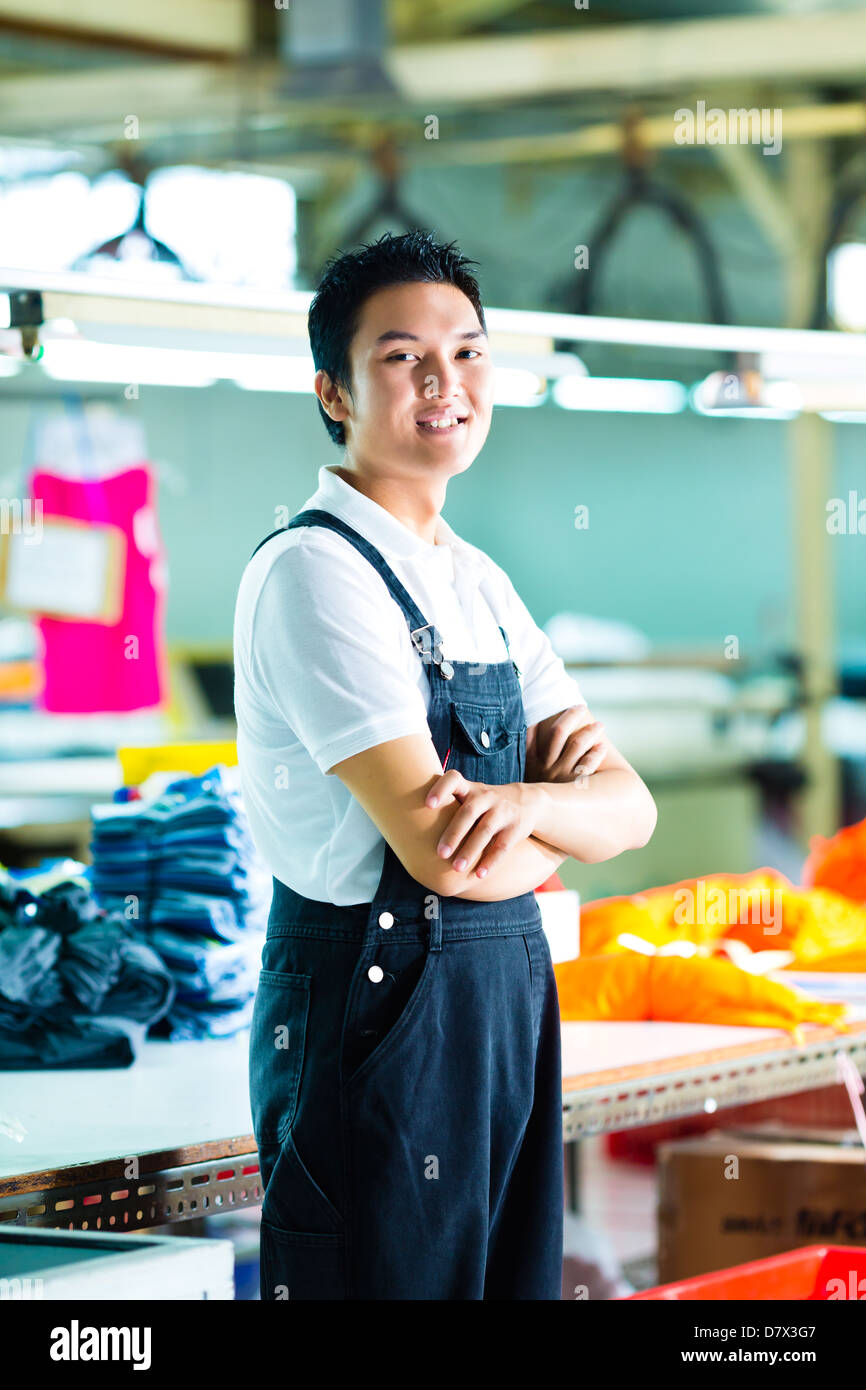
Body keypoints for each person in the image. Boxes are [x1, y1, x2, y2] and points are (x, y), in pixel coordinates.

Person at [233, 229, 657, 1301]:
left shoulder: (478, 584)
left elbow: (630, 812)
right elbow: (439, 856)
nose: (444, 381)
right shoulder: (314, 574)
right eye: (401, 356)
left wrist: (517, 804)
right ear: (333, 393)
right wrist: (558, 826)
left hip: (501, 1011)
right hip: (373, 1021)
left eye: (466, 352)